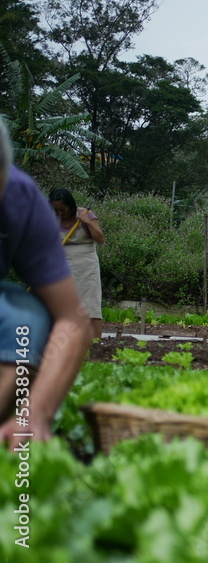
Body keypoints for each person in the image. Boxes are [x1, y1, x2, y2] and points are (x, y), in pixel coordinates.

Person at [0, 121, 92, 449]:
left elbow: (72, 320)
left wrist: (35, 412)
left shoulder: (20, 197)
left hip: (79, 263)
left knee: (27, 316)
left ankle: (16, 421)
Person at [49, 187, 105, 340]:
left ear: (70, 205)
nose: (59, 212)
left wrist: (88, 222)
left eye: (63, 209)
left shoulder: (84, 214)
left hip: (86, 265)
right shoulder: (51, 217)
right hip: (61, 265)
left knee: (90, 307)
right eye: (56, 209)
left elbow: (100, 238)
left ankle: (96, 345)